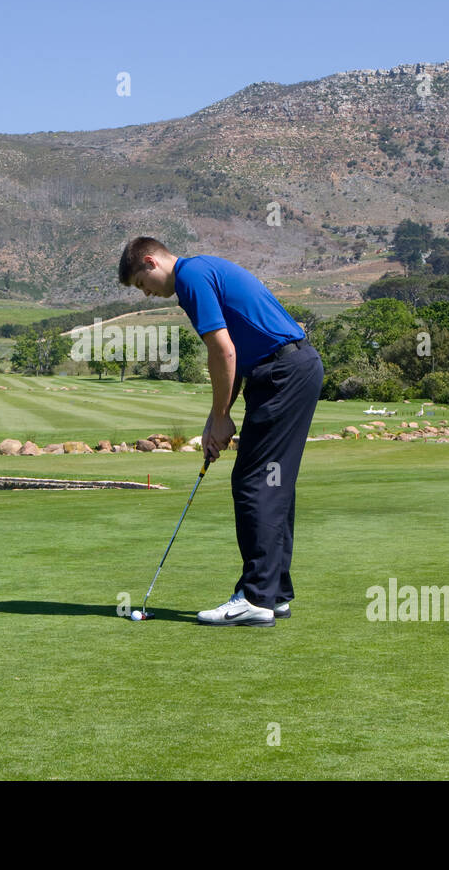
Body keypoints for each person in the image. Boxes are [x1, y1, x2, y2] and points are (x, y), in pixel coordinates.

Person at [117, 237, 324, 627]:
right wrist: (220, 418)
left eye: (142, 284)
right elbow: (242, 354)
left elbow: (223, 351)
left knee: (253, 483)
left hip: (283, 374)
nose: (147, 293)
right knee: (273, 483)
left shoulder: (191, 277)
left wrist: (220, 416)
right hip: (287, 369)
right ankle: (275, 592)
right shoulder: (203, 269)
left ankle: (256, 598)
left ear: (150, 261)